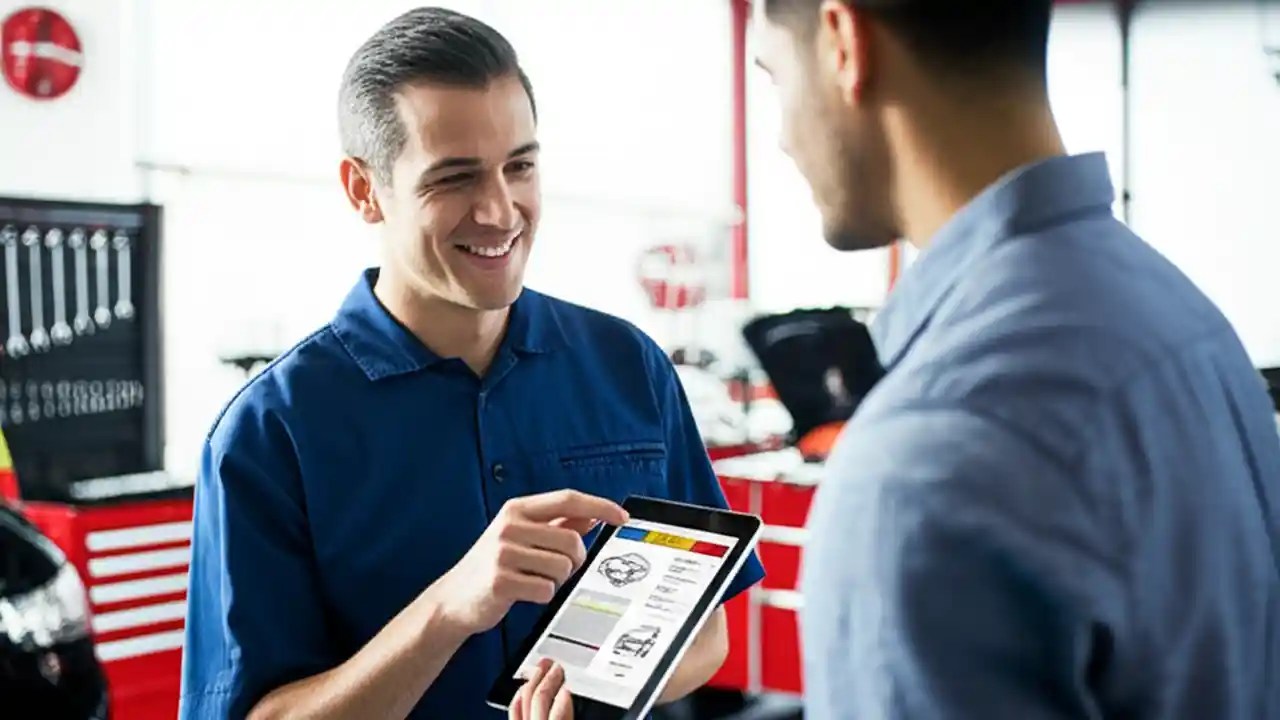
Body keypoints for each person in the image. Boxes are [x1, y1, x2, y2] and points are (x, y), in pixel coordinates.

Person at [179, 7, 763, 719]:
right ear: (364, 189)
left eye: (519, 166)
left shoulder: (628, 367)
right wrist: (450, 608)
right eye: (454, 179)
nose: (499, 210)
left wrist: (583, 698)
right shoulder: (271, 434)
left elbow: (706, 634)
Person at [754, 1, 1280, 718]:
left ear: (842, 41)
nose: (781, 136)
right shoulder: (1184, 320)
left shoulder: (921, 458)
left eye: (774, 76)